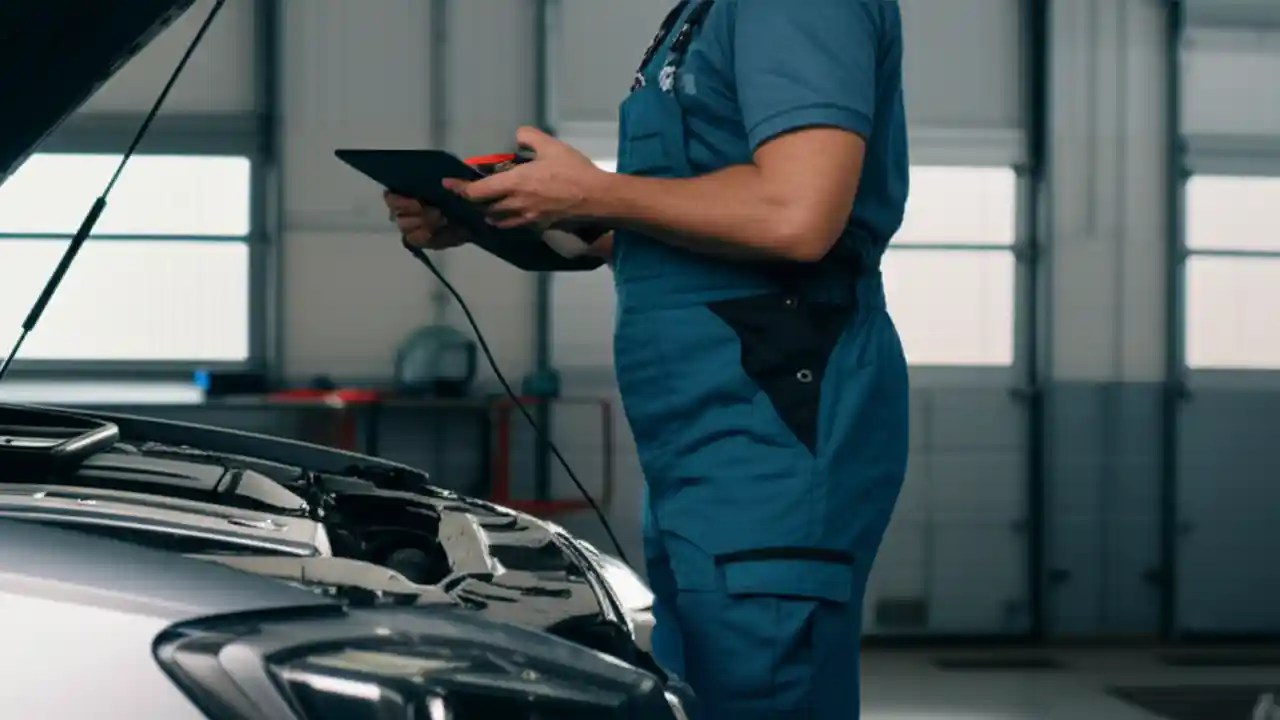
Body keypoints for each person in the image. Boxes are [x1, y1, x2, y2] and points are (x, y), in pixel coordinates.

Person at [385, 1, 909, 717]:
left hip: (774, 426)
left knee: (760, 693)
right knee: (706, 691)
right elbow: (669, 225)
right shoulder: (702, 15)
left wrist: (591, 191)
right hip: (705, 446)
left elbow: (797, 213)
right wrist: (498, 217)